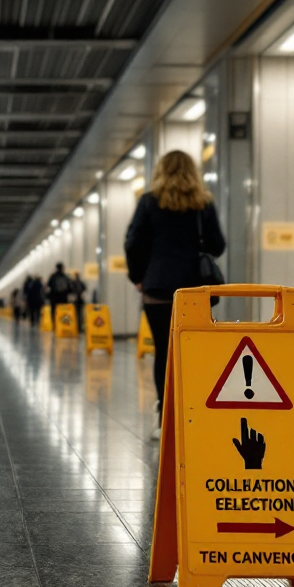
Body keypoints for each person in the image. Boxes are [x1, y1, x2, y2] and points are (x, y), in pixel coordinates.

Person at [124, 150, 226, 440]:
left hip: (157, 289)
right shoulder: (203, 204)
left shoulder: (148, 201)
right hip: (195, 289)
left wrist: (139, 277)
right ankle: (195, 419)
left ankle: (164, 420)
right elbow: (217, 245)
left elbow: (133, 243)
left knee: (163, 354)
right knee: (193, 353)